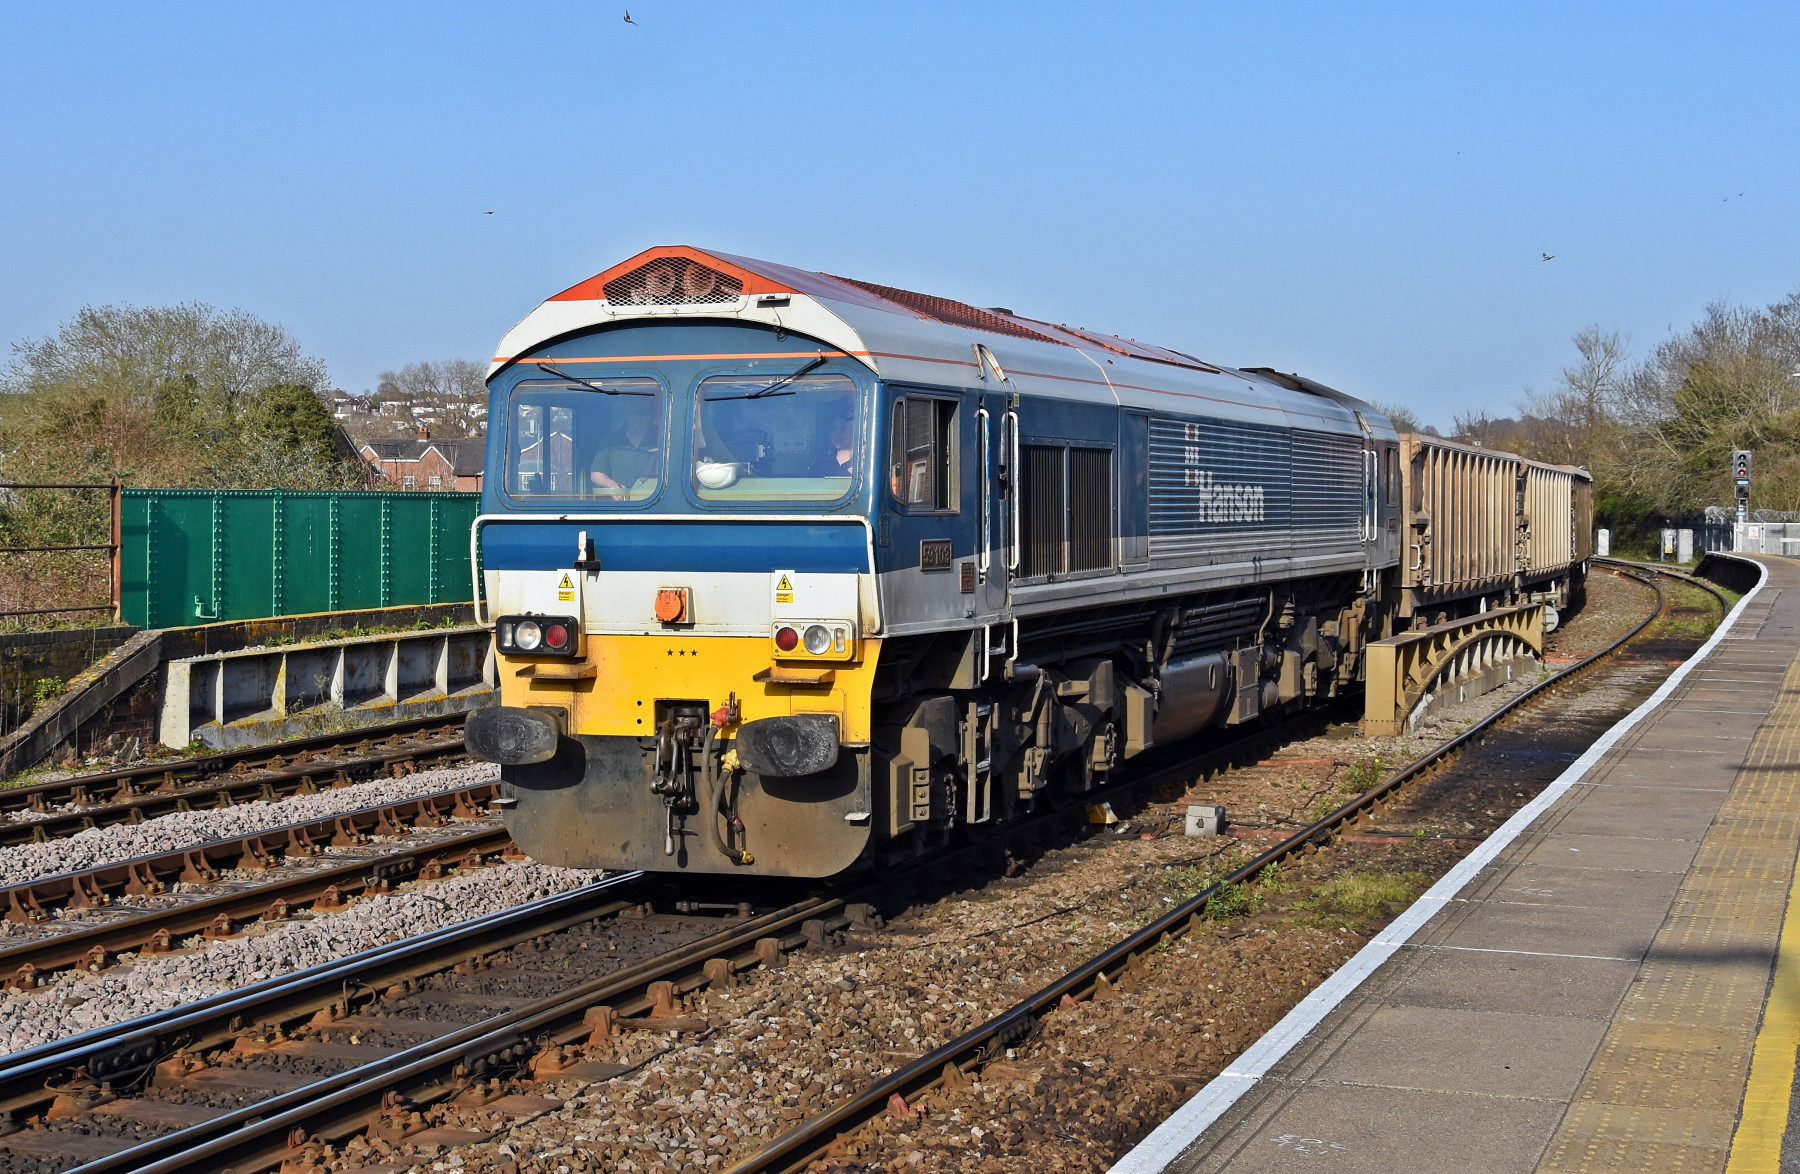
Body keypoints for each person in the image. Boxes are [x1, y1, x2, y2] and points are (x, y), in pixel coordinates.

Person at [589, 399, 660, 493]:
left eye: (647, 413)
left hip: (655, 503)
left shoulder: (662, 437)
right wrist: (612, 485)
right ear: (627, 414)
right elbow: (596, 473)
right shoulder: (612, 440)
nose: (642, 418)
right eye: (637, 413)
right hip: (622, 505)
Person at [807, 407, 856, 477]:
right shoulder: (820, 465)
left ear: (852, 432)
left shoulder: (859, 465)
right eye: (834, 429)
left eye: (843, 429)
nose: (838, 433)